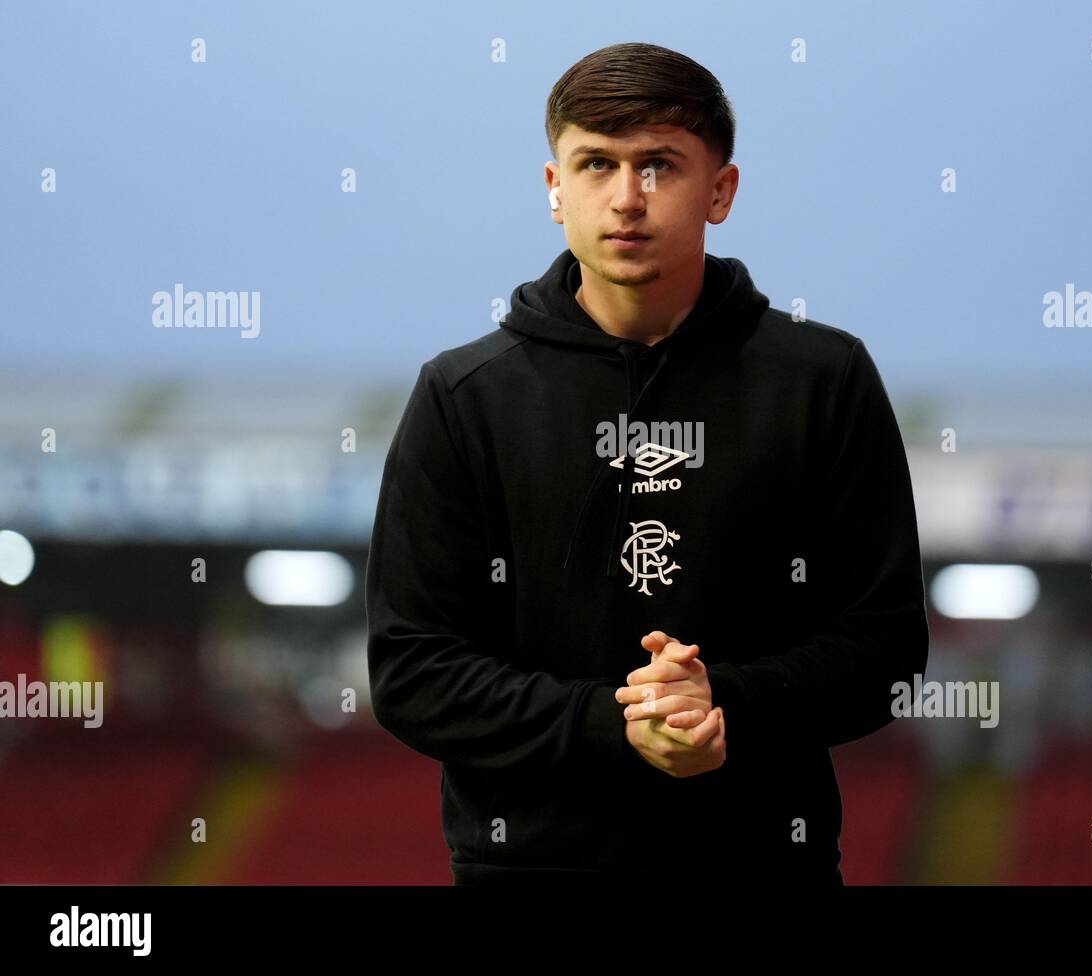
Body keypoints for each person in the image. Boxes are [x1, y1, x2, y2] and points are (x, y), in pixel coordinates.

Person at [365, 41, 929, 886]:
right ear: (556, 190)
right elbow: (412, 670)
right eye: (596, 164)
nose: (627, 198)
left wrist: (724, 707)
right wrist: (617, 723)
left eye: (659, 165)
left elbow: (884, 647)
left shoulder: (824, 380)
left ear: (721, 190)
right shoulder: (463, 396)